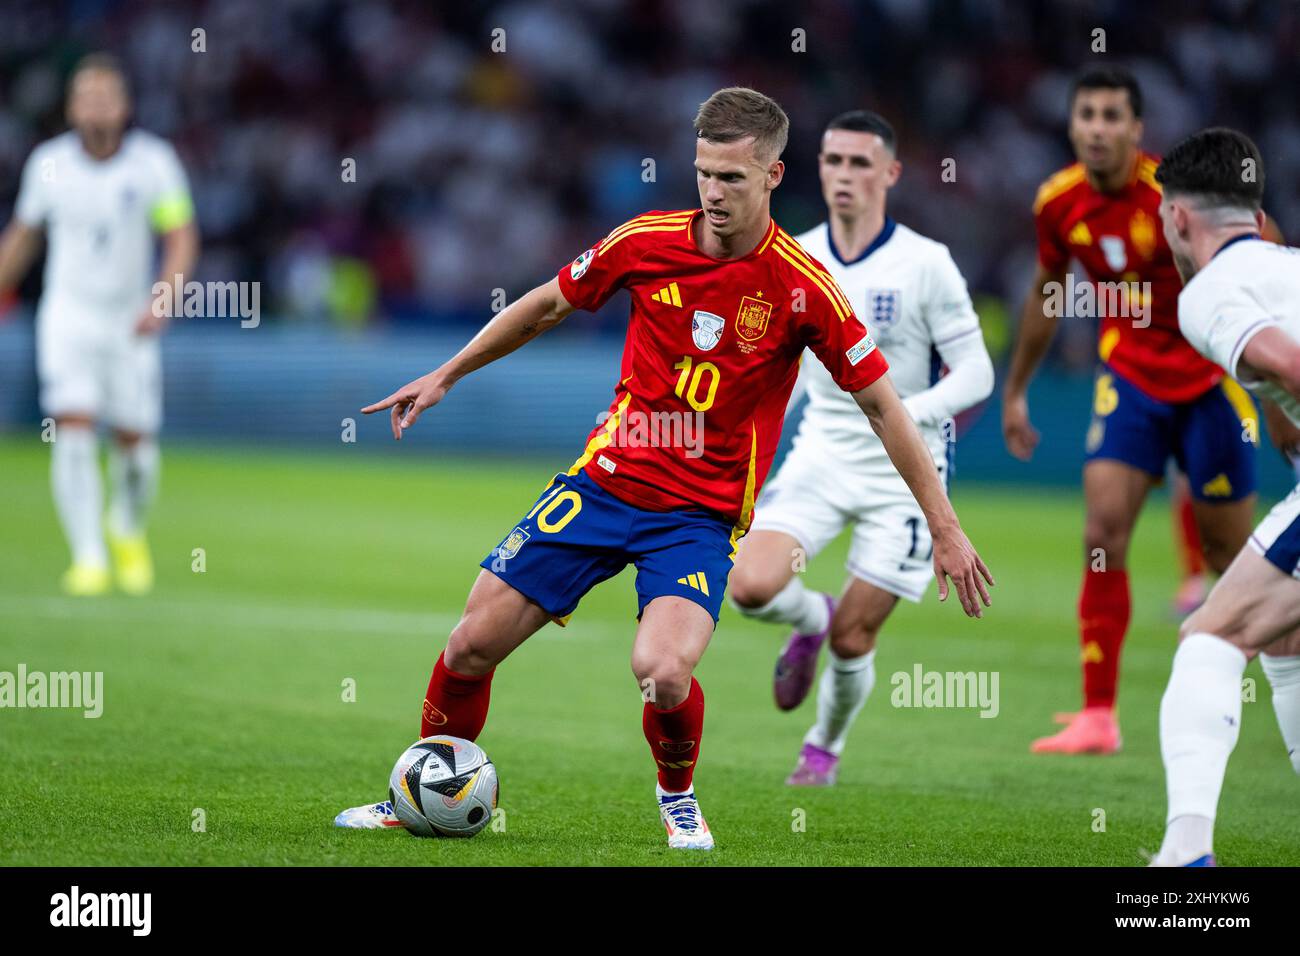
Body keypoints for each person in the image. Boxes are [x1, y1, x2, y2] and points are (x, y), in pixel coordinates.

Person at [335, 87, 993, 849]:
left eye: (734, 178)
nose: (714, 192)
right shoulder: (644, 241)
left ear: (774, 176)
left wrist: (944, 526)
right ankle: (415, 791)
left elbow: (885, 407)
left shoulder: (803, 287)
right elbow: (548, 305)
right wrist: (447, 372)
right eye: (705, 173)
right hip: (603, 484)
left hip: (698, 517)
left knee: (664, 673)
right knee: (468, 645)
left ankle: (677, 795)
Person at [727, 109, 994, 786]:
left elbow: (976, 373)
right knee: (751, 586)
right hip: (821, 457)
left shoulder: (926, 263)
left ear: (890, 174)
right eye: (833, 161)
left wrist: (908, 414)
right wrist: (744, 448)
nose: (844, 174)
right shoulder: (793, 255)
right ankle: (809, 615)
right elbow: (776, 372)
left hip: (902, 475)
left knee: (855, 638)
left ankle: (822, 747)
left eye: (859, 163)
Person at [1002, 69, 1262, 754]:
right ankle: (1098, 716)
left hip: (1212, 381)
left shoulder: (1175, 196)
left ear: (1136, 129)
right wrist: (1017, 388)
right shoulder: (1057, 203)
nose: (1096, 126)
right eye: (1085, 113)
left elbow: (1259, 238)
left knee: (1231, 555)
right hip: (1131, 383)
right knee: (1100, 537)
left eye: (1111, 115)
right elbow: (1046, 291)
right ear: (1072, 125)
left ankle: (1274, 684)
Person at [1150, 127, 1300, 866]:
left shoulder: (1208, 293)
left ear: (1177, 218)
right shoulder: (1287, 268)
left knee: (1211, 637)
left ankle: (1184, 858)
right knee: (1285, 640)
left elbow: (1289, 362)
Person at [0, 53, 198, 596]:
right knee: (73, 426)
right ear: (70, 107)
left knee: (136, 446)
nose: (97, 106)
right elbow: (24, 234)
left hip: (128, 321)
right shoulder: (48, 163)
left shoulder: (153, 162)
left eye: (106, 96)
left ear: (125, 105)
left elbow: (180, 234)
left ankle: (126, 526)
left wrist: (164, 297)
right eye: (86, 96)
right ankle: (88, 556)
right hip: (67, 316)